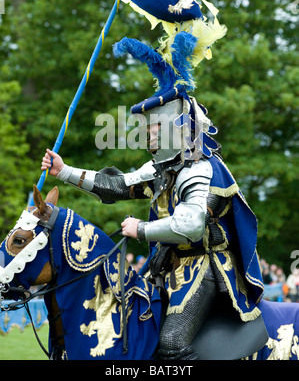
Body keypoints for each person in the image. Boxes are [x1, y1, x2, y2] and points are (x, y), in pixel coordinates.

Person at [41, 32, 266, 360]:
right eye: (148, 130)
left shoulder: (201, 169)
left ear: (175, 128)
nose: (148, 136)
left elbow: (190, 225)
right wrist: (64, 171)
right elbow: (117, 186)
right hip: (164, 268)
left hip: (203, 266)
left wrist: (141, 229)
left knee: (173, 344)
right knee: (131, 325)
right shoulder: (162, 169)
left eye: (154, 130)